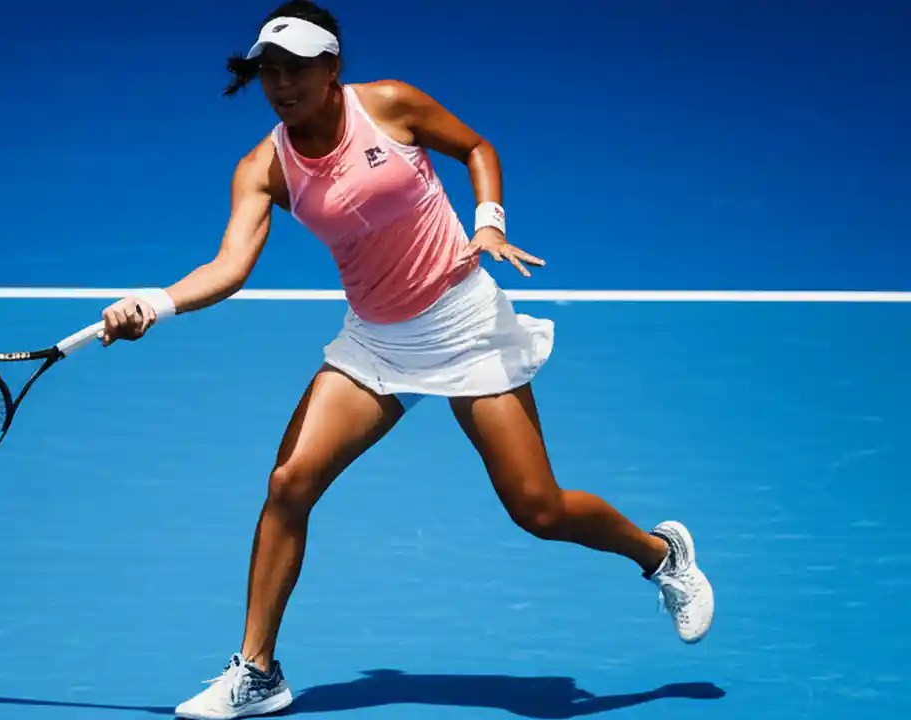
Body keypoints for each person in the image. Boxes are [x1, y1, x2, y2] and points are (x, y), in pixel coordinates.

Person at [100, 2, 715, 718]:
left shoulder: (391, 105)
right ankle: (258, 671)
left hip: (465, 325)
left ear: (333, 68)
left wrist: (488, 226)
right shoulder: (263, 168)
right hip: (376, 343)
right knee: (290, 483)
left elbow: (478, 149)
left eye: (296, 69)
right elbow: (230, 265)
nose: (281, 85)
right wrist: (157, 302)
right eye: (269, 71)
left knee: (538, 510)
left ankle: (660, 555)